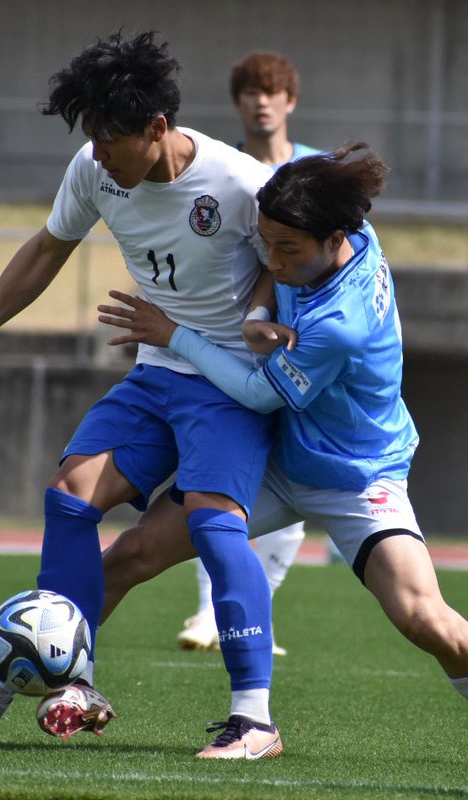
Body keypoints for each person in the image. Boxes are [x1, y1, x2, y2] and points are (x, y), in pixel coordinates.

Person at [94, 145, 468, 759]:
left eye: (290, 250)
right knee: (128, 556)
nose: (276, 260)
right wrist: (259, 310)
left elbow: (259, 394)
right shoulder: (338, 224)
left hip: (355, 476)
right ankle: (9, 675)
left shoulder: (339, 322)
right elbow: (273, 261)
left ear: (335, 237)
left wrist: (173, 334)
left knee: (424, 617)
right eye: (269, 245)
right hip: (282, 458)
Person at [0, 31, 284, 760]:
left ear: (157, 129)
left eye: (110, 138)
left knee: (213, 526)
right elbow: (48, 247)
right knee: (70, 494)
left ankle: (254, 720)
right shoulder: (94, 169)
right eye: (91, 137)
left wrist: (260, 320)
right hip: (155, 376)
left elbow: (287, 259)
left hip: (229, 389)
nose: (97, 153)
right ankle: (68, 684)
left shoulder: (238, 184)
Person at [178, 50, 323, 656]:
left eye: (273, 92)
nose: (261, 101)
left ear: (290, 101)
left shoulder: (318, 171)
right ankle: (209, 610)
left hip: (304, 349)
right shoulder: (224, 171)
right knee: (218, 482)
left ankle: (255, 607)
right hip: (233, 344)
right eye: (250, 92)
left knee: (291, 484)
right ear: (238, 102)